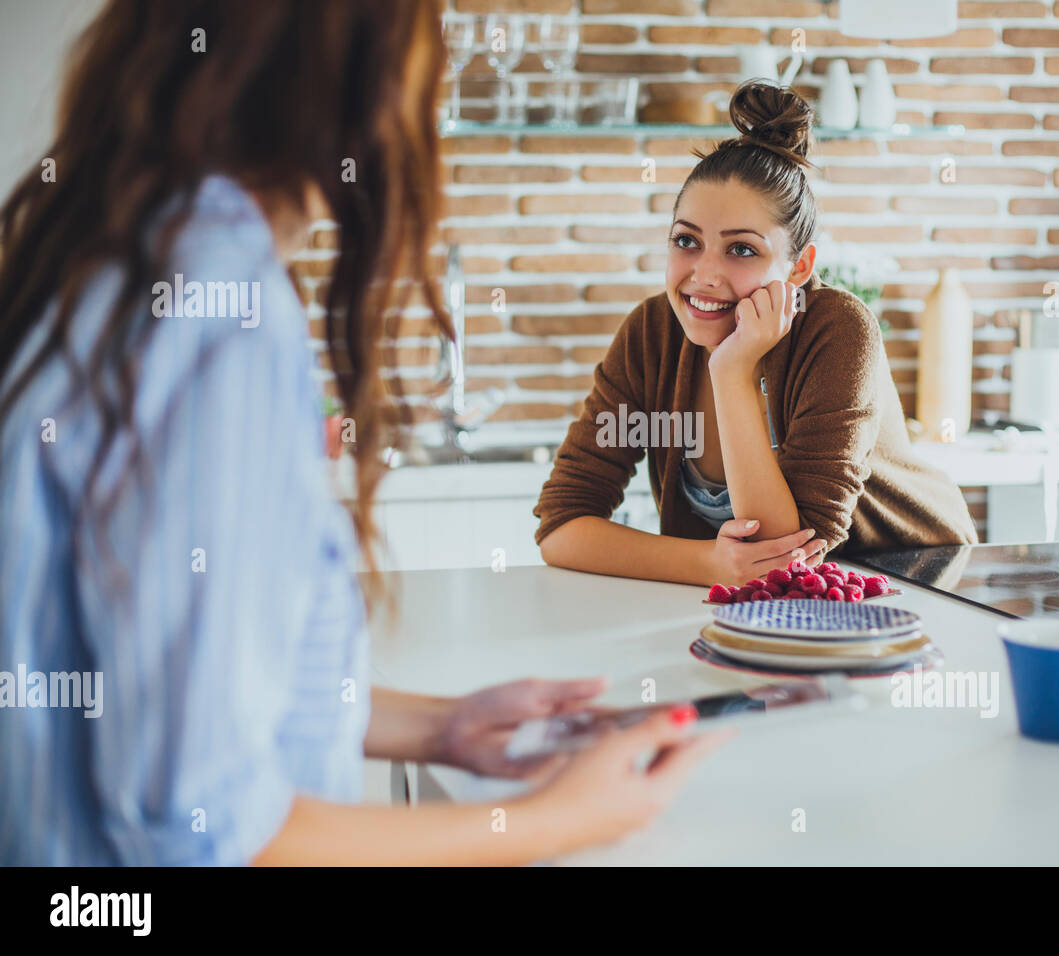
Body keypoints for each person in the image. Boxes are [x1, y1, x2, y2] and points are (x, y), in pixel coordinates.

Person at [0, 0, 727, 866]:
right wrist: (558, 821)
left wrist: (444, 727)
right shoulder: (218, 302)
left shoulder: (114, 246)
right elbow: (199, 830)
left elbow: (173, 690)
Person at [534, 80, 978, 588]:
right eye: (687, 241)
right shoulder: (651, 334)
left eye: (742, 249)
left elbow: (787, 555)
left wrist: (731, 371)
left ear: (798, 267)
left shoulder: (838, 332)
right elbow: (562, 525)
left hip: (914, 581)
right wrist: (707, 564)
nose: (704, 273)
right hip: (769, 605)